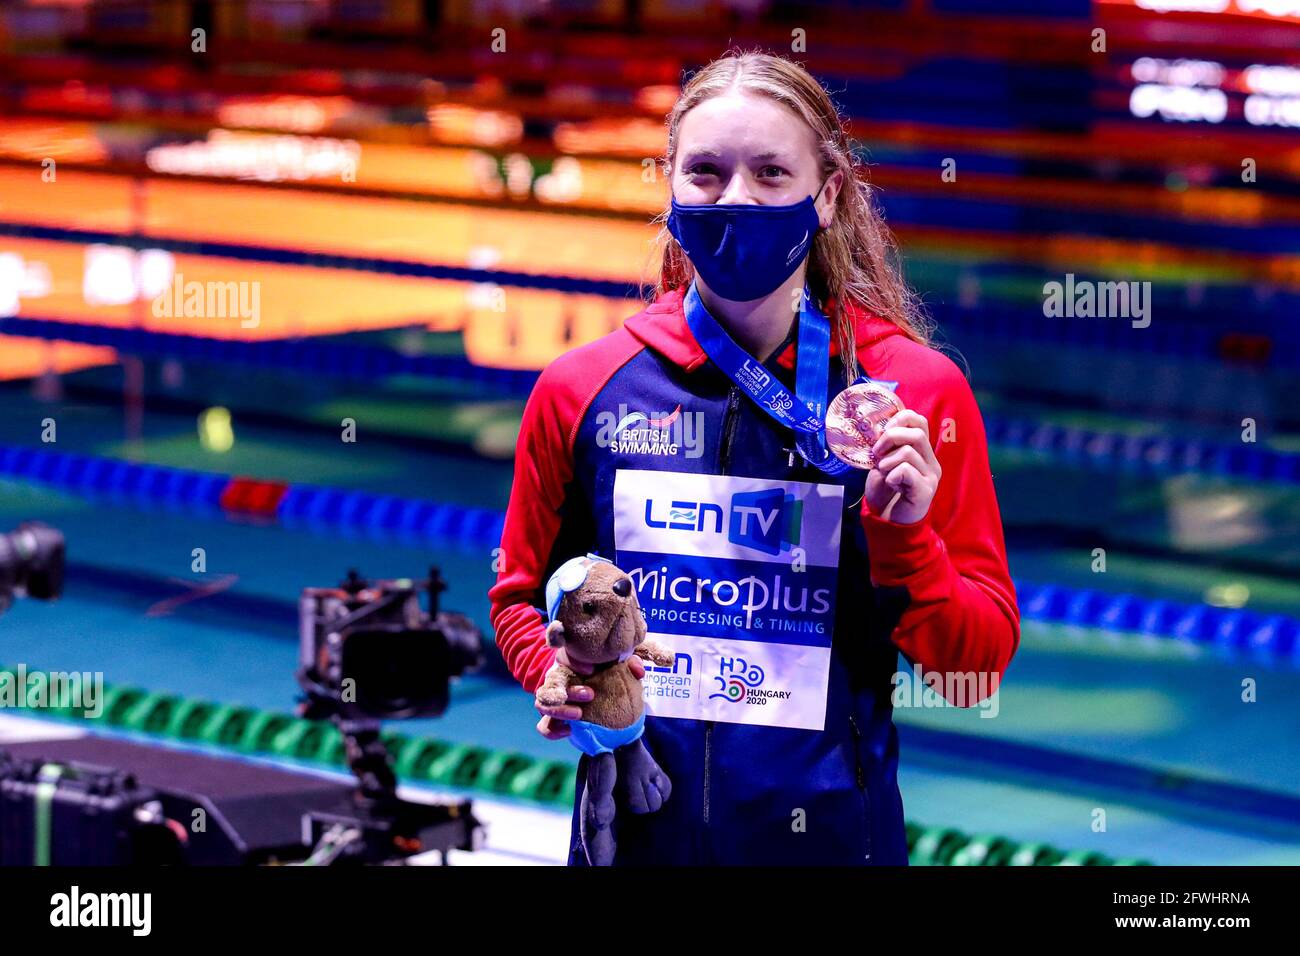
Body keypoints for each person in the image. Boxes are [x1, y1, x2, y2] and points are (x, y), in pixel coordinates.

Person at [488, 51, 1018, 865]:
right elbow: (522, 595)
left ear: (829, 194)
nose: (735, 197)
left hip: (834, 843)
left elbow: (974, 664)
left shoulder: (912, 395)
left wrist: (907, 536)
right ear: (669, 187)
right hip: (634, 841)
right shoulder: (583, 390)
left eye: (772, 172)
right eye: (705, 172)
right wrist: (561, 677)